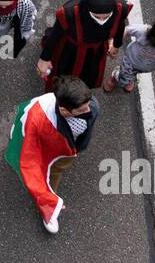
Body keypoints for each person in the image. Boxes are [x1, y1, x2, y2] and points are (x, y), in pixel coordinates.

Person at [7, 75, 99, 233]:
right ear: (64, 110)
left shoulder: (90, 104)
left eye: (88, 105)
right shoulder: (38, 118)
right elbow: (29, 162)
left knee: (56, 170)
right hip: (49, 149)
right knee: (47, 176)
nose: (89, 111)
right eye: (81, 110)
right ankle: (47, 206)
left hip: (65, 151)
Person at [38, 0, 132, 90]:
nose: (101, 21)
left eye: (106, 17)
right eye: (97, 17)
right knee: (63, 75)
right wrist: (44, 58)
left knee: (89, 74)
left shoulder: (119, 10)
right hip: (69, 50)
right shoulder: (70, 13)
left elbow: (120, 26)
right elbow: (55, 35)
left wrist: (116, 45)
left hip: (95, 52)